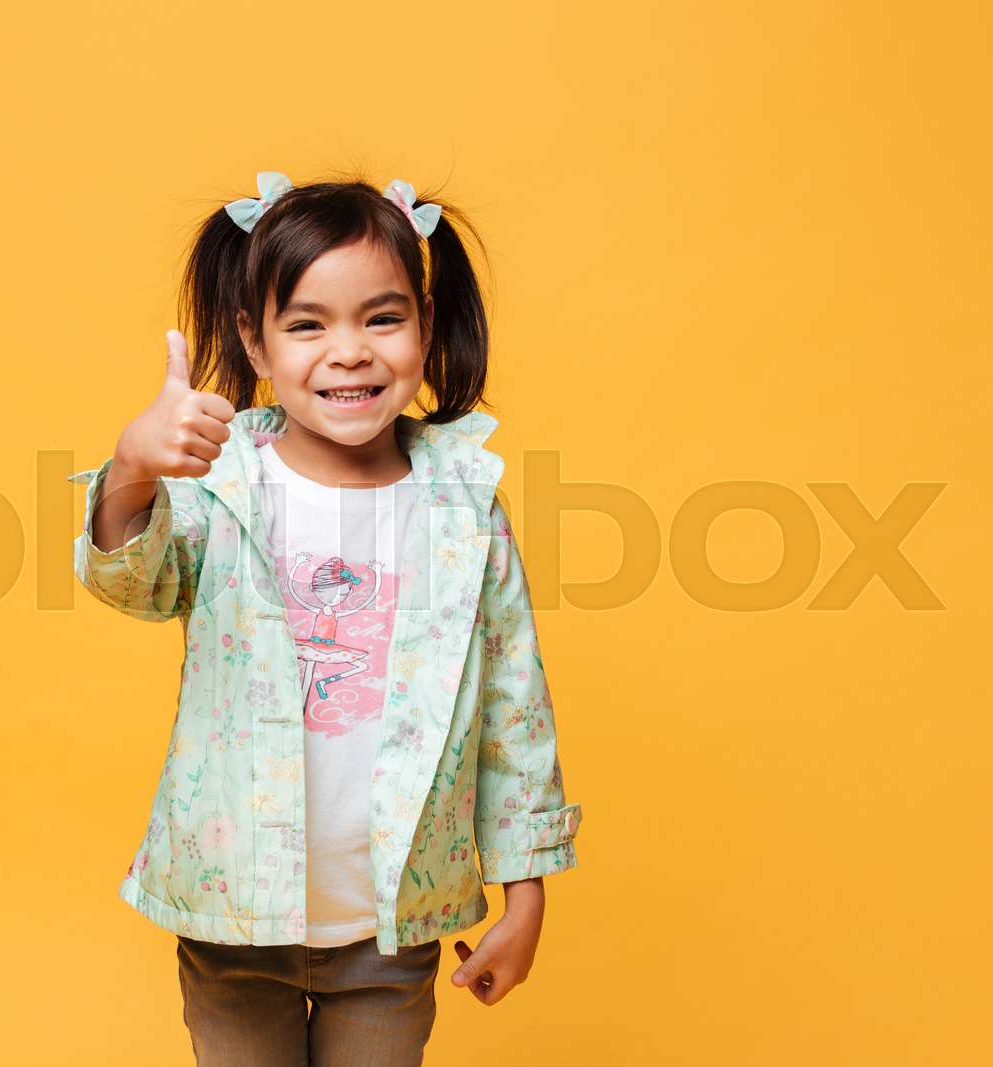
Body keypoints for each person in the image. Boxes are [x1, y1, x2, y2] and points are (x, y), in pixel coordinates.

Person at [70, 170, 584, 1065]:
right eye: (308, 325)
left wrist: (527, 892)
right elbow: (131, 580)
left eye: (381, 318)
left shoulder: (463, 507)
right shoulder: (222, 485)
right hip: (234, 914)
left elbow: (515, 708)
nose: (349, 353)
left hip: (391, 925)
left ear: (425, 324)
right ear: (255, 342)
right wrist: (133, 467)